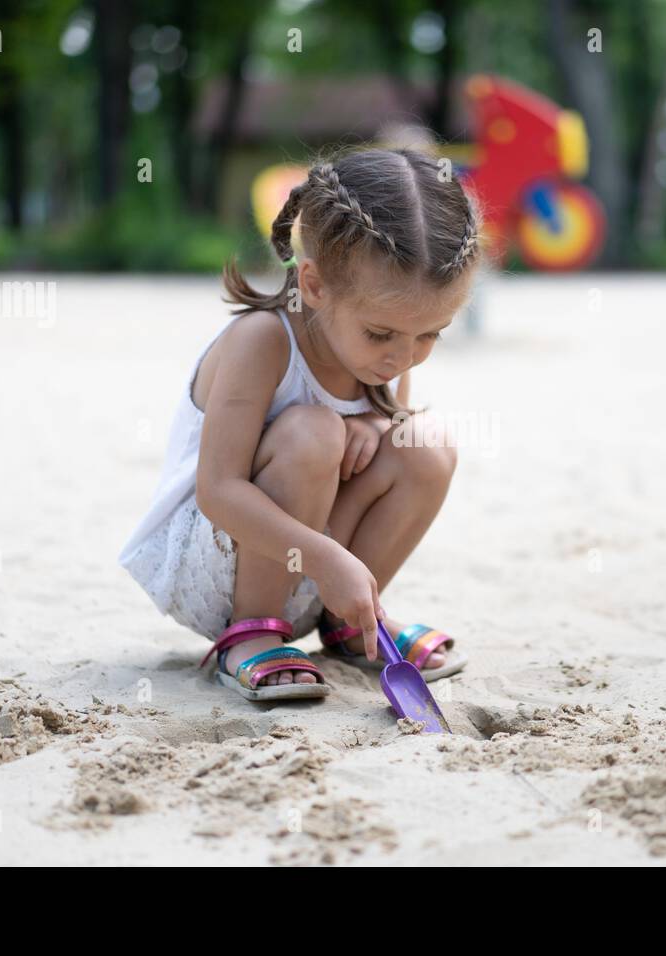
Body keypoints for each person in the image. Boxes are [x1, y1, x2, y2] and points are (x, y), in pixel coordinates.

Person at [118, 148, 476, 701]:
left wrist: (376, 430)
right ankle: (252, 633)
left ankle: (348, 624)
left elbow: (393, 434)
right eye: (381, 335)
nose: (404, 357)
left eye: (431, 334)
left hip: (322, 570)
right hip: (222, 563)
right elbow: (219, 491)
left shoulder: (389, 355)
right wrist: (325, 555)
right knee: (313, 432)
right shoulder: (262, 342)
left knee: (423, 445)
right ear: (313, 284)